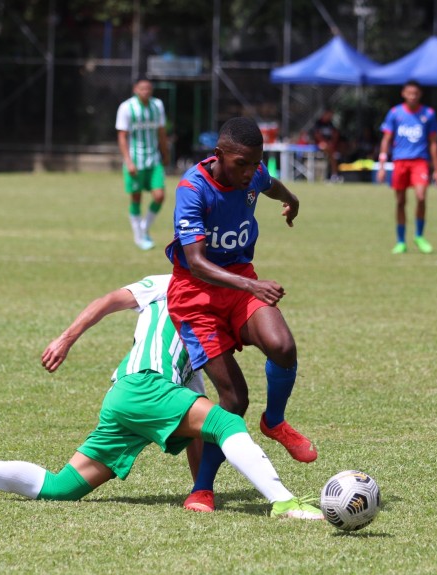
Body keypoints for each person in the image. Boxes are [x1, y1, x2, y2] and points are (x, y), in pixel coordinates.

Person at [0, 274, 323, 521]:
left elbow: (198, 431)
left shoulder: (209, 326)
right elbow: (108, 301)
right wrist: (66, 338)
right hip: (144, 384)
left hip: (127, 397)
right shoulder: (169, 284)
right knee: (228, 421)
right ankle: (284, 503)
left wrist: (202, 490)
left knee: (61, 488)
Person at [165, 116, 317, 514]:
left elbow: (269, 183)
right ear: (219, 155)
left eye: (255, 163)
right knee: (234, 398)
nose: (250, 172)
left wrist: (292, 198)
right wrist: (252, 287)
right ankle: (202, 488)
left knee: (282, 346)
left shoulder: (252, 173)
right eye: (241, 164)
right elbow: (196, 262)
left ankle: (275, 422)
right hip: (196, 298)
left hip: (239, 282)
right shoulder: (193, 189)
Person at [377, 80, 437, 254]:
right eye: (409, 93)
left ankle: (419, 236)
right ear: (403, 94)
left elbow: (433, 143)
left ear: (420, 95)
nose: (412, 97)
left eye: (415, 94)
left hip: (420, 162)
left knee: (421, 197)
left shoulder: (428, 114)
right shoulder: (395, 113)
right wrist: (382, 165)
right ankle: (401, 241)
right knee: (400, 202)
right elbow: (386, 139)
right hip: (400, 162)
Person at [115, 78, 170, 251]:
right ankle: (139, 236)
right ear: (135, 89)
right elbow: (122, 136)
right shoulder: (126, 107)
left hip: (153, 159)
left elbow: (161, 132)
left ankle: (144, 228)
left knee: (159, 196)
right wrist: (128, 161)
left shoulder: (157, 105)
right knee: (136, 198)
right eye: (142, 88)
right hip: (135, 161)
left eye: (148, 88)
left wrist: (165, 153)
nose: (145, 91)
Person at [312, 108, 342, 182]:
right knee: (328, 149)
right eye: (329, 115)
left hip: (329, 146)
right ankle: (333, 174)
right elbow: (316, 135)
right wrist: (325, 142)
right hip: (319, 144)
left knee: (333, 152)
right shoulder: (318, 123)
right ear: (325, 114)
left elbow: (335, 134)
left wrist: (332, 142)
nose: (330, 117)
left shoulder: (330, 123)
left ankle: (334, 175)